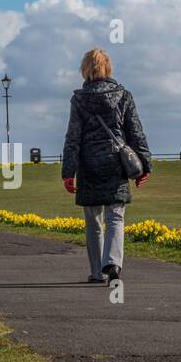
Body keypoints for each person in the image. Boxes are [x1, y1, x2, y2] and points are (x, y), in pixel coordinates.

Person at [61, 47, 151, 283]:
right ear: (107, 67)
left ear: (85, 70)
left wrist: (68, 172)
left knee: (93, 220)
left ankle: (96, 272)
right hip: (115, 163)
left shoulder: (79, 99)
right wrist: (145, 165)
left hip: (88, 164)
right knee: (115, 217)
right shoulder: (124, 95)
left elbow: (73, 138)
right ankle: (112, 263)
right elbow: (136, 133)